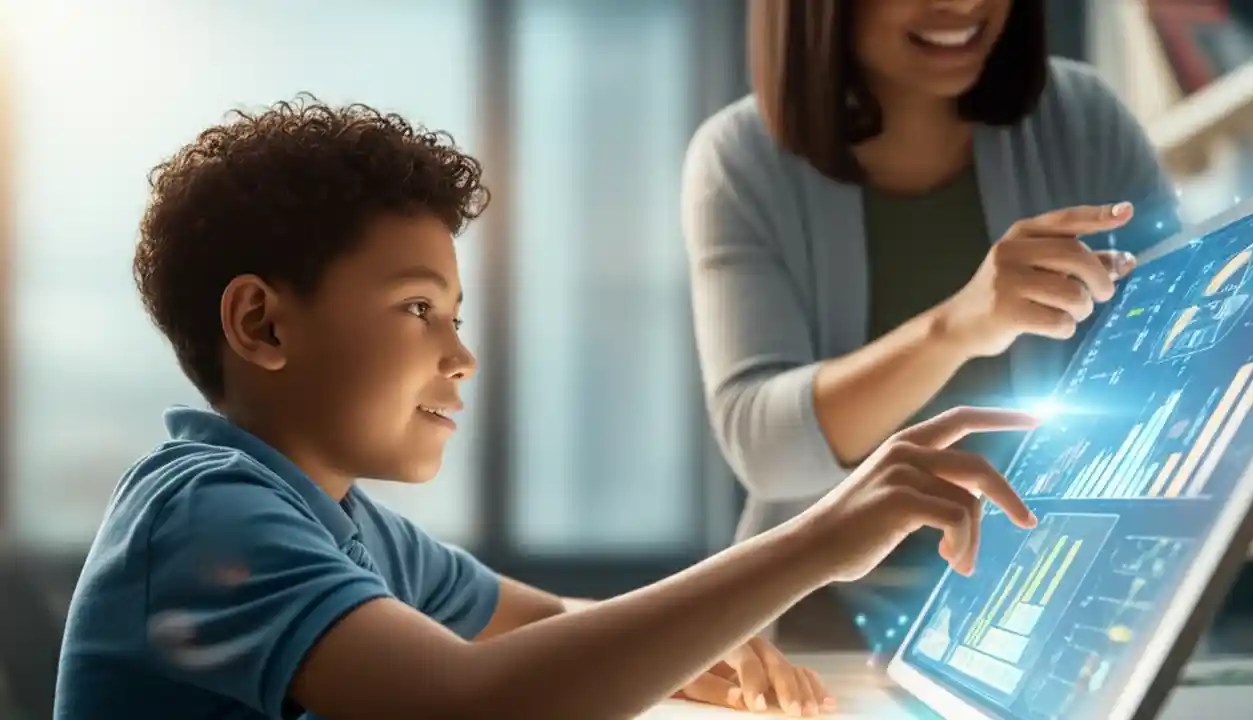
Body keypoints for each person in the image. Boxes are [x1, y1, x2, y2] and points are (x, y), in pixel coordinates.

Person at [53, 99, 1038, 720]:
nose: (462, 354)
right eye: (417, 309)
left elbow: (551, 623)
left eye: (455, 314)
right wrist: (820, 539)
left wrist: (699, 653)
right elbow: (477, 701)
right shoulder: (204, 515)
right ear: (261, 324)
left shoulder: (348, 529)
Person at [681, 0, 1180, 642]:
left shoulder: (1086, 119)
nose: (965, 3)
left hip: (1053, 615)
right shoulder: (738, 159)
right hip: (822, 634)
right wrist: (956, 327)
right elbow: (765, 449)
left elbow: (1179, 351)